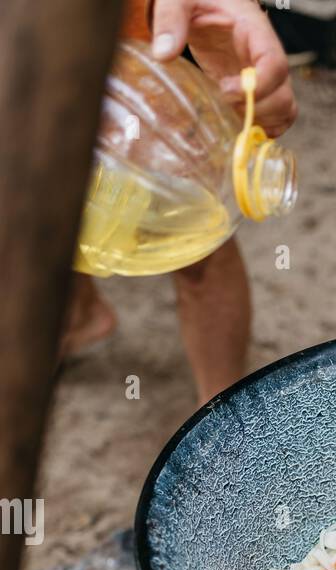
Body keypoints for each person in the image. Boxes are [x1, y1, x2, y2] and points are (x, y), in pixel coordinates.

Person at [62, 0, 298, 404]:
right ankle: (80, 316)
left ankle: (221, 419)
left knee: (196, 235)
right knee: (56, 199)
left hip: (122, 28)